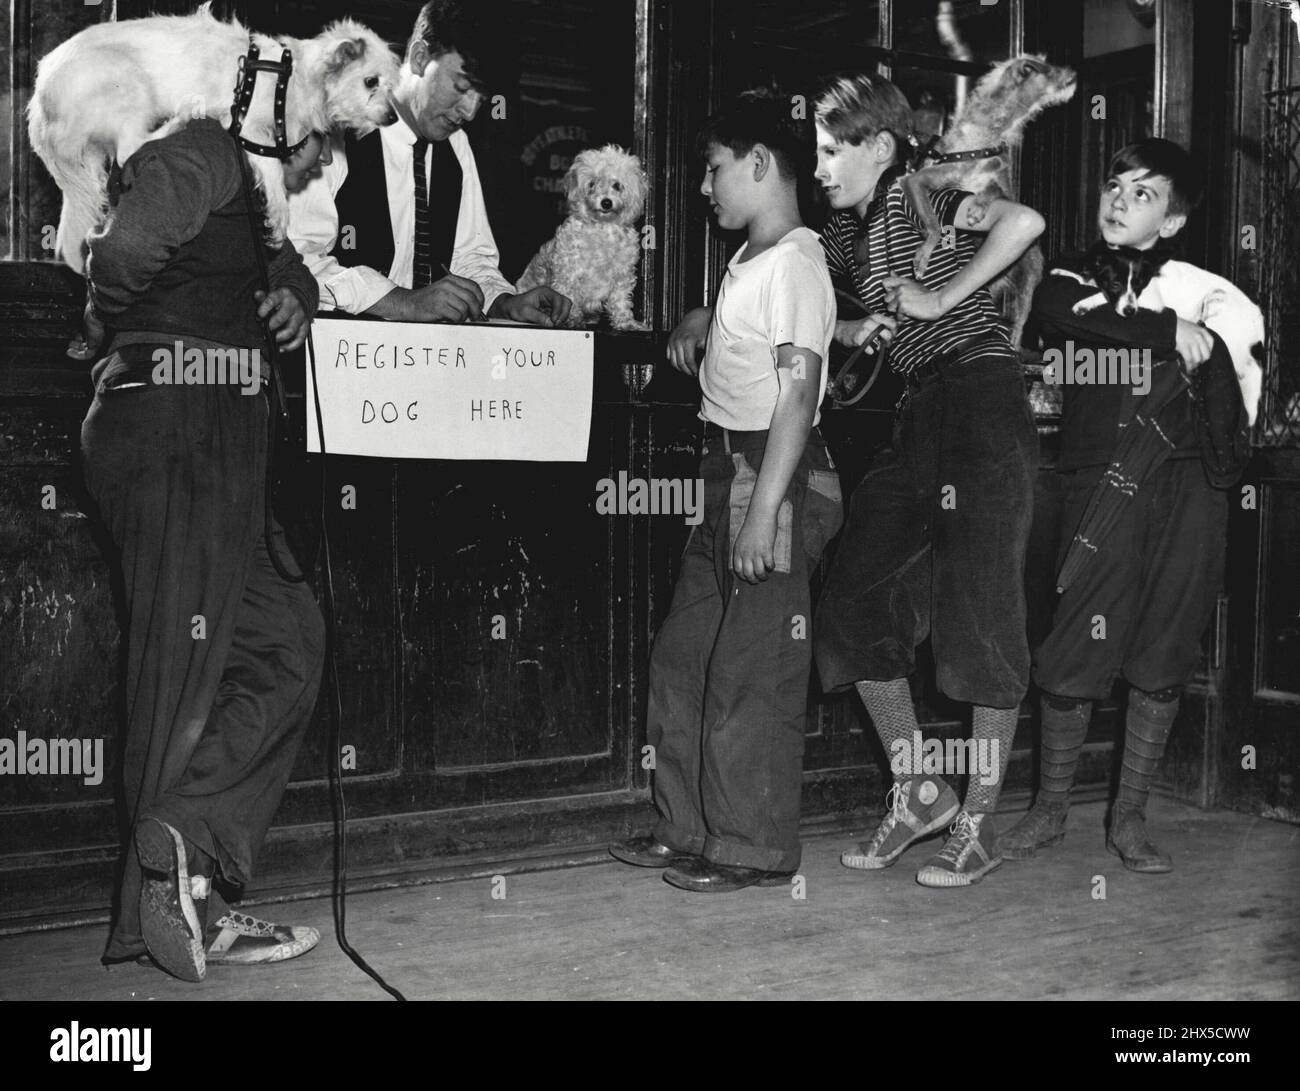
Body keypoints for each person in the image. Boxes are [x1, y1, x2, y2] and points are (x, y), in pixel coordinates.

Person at [74, 115, 325, 981]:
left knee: (286, 643)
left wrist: (299, 294)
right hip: (179, 421)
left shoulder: (249, 194)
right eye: (313, 141)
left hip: (224, 435)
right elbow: (121, 253)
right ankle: (167, 915)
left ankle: (185, 844)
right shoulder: (200, 146)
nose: (319, 159)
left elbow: (280, 269)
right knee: (177, 677)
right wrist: (119, 324)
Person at [1003, 138, 1263, 872]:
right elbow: (1067, 326)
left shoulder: (1203, 286)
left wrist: (1191, 338)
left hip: (1187, 487)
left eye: (1143, 193)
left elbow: (1233, 360)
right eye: (1115, 184)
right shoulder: (1067, 274)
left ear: (1172, 221)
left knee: (1166, 641)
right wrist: (1164, 334)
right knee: (1076, 642)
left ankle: (1131, 818)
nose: (1119, 199)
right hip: (1100, 480)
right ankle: (1049, 810)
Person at [810, 73, 1045, 887]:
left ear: (880, 146)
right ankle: (917, 788)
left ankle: (976, 823)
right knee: (852, 602)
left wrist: (941, 294)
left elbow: (1024, 220)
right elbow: (821, 301)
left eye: (832, 149)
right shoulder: (845, 233)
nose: (820, 167)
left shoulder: (921, 191)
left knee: (982, 614)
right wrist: (856, 323)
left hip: (982, 399)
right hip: (919, 416)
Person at [607, 89, 841, 893]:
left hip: (773, 475)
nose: (705, 189)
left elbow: (798, 401)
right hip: (725, 476)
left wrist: (765, 511)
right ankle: (687, 826)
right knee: (684, 655)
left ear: (761, 164)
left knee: (752, 667)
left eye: (714, 171)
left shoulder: (797, 263)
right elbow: (750, 336)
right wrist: (703, 316)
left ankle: (751, 845)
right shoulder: (752, 262)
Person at [287, 0, 571, 327]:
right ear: (421, 58)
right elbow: (297, 262)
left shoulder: (457, 145)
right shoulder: (340, 125)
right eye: (462, 87)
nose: (470, 112)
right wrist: (401, 301)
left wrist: (504, 304)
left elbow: (470, 259)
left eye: (482, 97)